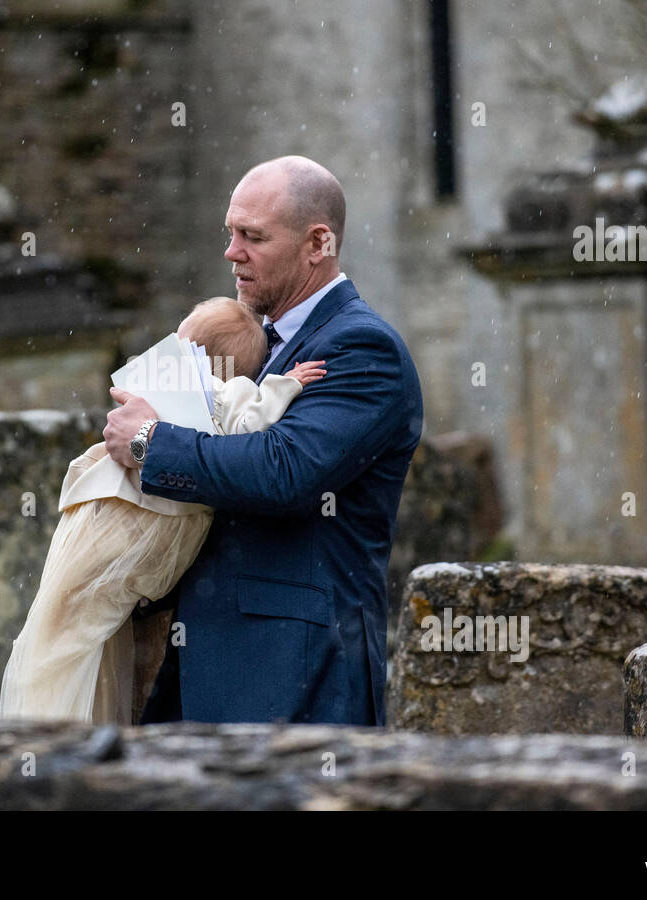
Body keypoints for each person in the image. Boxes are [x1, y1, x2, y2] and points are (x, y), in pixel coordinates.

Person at [102, 154, 423, 725]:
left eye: (252, 237)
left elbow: (284, 473)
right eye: (230, 233)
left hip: (295, 671)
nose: (232, 252)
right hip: (200, 658)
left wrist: (152, 441)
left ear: (317, 243)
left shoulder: (363, 350)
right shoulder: (248, 337)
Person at [0, 295, 327, 724]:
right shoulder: (203, 393)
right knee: (74, 623)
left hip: (134, 517)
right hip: (132, 515)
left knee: (70, 622)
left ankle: (50, 711)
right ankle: (58, 708)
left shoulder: (221, 392)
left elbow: (254, 424)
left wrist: (288, 383)